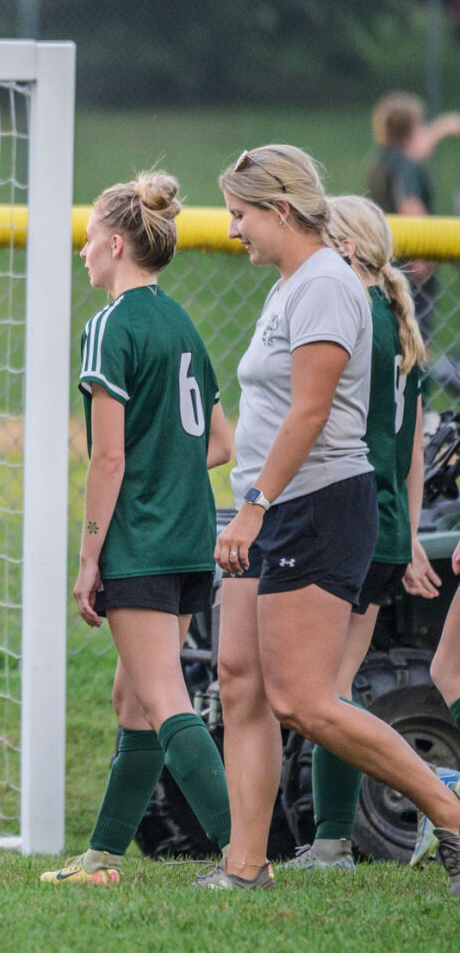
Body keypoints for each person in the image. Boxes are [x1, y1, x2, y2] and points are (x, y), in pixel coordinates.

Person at [205, 145, 460, 893]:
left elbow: (311, 413)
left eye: (240, 214)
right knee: (239, 680)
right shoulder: (291, 284)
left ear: (280, 209)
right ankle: (242, 865)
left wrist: (251, 507)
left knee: (304, 698)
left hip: (311, 507)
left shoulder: (322, 286)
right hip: (273, 504)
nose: (230, 230)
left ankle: (449, 813)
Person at [40, 173, 234, 887]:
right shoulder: (180, 321)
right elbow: (218, 440)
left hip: (143, 538)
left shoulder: (110, 326)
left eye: (87, 239)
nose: (82, 252)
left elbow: (108, 455)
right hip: (187, 537)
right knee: (134, 696)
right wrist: (165, 470)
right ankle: (101, 856)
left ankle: (241, 857)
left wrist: (88, 558)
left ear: (115, 243)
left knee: (161, 695)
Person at [276, 194, 438, 871]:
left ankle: (341, 838)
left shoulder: (352, 316)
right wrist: (410, 538)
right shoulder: (398, 325)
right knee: (330, 687)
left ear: (341, 247)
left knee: (324, 692)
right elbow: (410, 456)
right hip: (386, 524)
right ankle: (334, 840)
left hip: (346, 519)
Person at [365, 92, 460, 339]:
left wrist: (444, 127)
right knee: (415, 338)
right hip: (409, 266)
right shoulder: (406, 166)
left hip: (386, 261)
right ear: (411, 128)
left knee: (392, 337)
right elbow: (411, 207)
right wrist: (422, 258)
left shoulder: (381, 160)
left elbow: (419, 146)